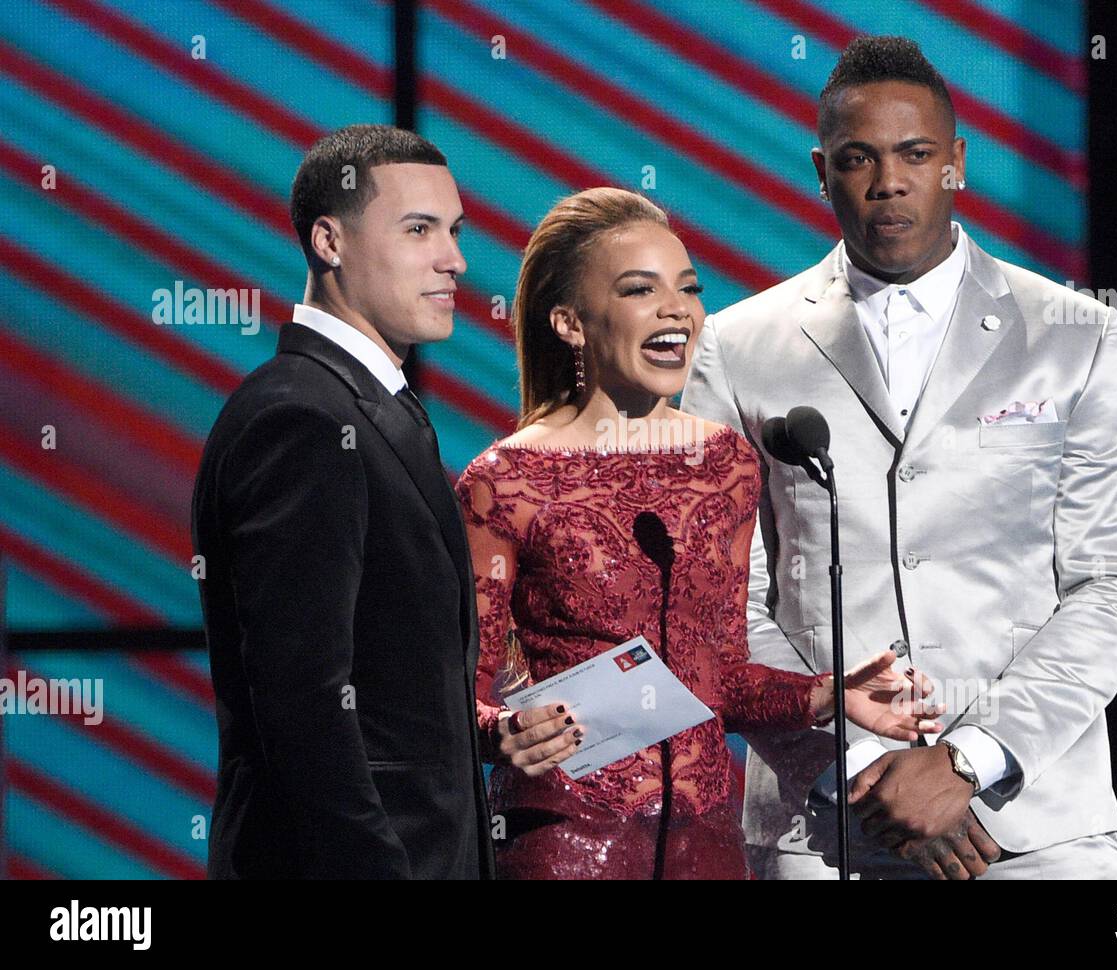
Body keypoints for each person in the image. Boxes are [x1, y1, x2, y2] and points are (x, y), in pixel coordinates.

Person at [681, 36, 1117, 879]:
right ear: (820, 171)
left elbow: (1116, 586)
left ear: (957, 164)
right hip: (823, 827)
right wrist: (861, 768)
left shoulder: (1076, 335)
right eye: (859, 159)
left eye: (915, 154)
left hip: (1035, 820)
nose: (889, 181)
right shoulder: (736, 347)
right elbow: (718, 605)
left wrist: (969, 757)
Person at [454, 187, 944, 879]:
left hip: (705, 843)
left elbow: (718, 680)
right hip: (566, 841)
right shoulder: (503, 481)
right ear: (568, 322)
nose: (676, 310)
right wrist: (502, 733)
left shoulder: (724, 465)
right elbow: (452, 691)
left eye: (687, 288)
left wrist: (829, 695)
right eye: (638, 290)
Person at [192, 124, 492, 878]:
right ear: (329, 241)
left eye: (453, 231)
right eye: (419, 230)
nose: (454, 259)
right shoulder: (304, 419)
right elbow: (305, 708)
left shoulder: (360, 406)